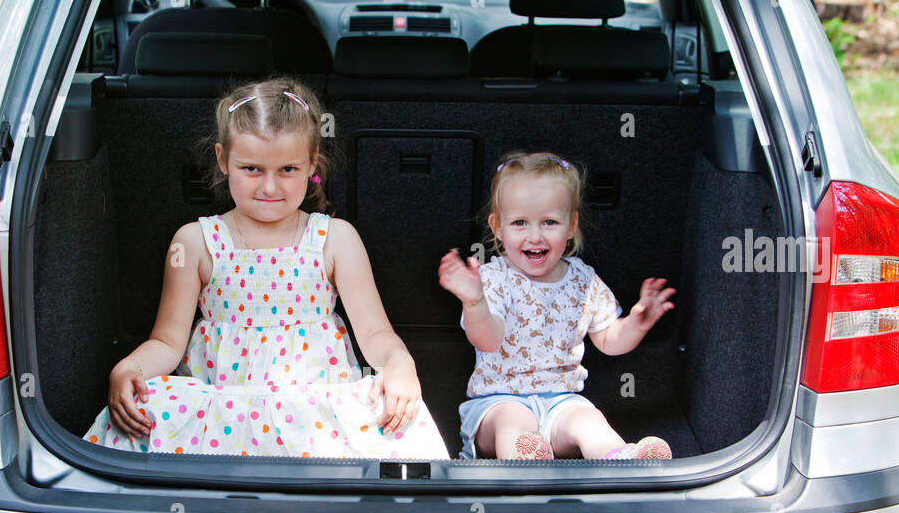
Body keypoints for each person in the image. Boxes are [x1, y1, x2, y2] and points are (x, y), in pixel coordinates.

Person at [84, 78, 449, 460]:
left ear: (312, 164)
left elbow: (374, 333)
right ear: (223, 159)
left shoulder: (335, 239)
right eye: (252, 169)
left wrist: (399, 362)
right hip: (221, 412)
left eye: (288, 169)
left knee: (398, 426)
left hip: (314, 414)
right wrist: (130, 367)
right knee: (138, 416)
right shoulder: (194, 241)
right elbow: (167, 343)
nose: (270, 186)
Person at [437, 151, 676, 461]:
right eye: (520, 222)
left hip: (561, 402)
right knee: (514, 420)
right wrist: (474, 299)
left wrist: (637, 321)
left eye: (549, 222)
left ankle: (621, 460)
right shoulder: (492, 279)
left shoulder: (582, 280)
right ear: (497, 227)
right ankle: (524, 462)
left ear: (571, 225)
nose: (535, 236)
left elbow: (609, 341)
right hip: (496, 404)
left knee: (588, 420)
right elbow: (488, 339)